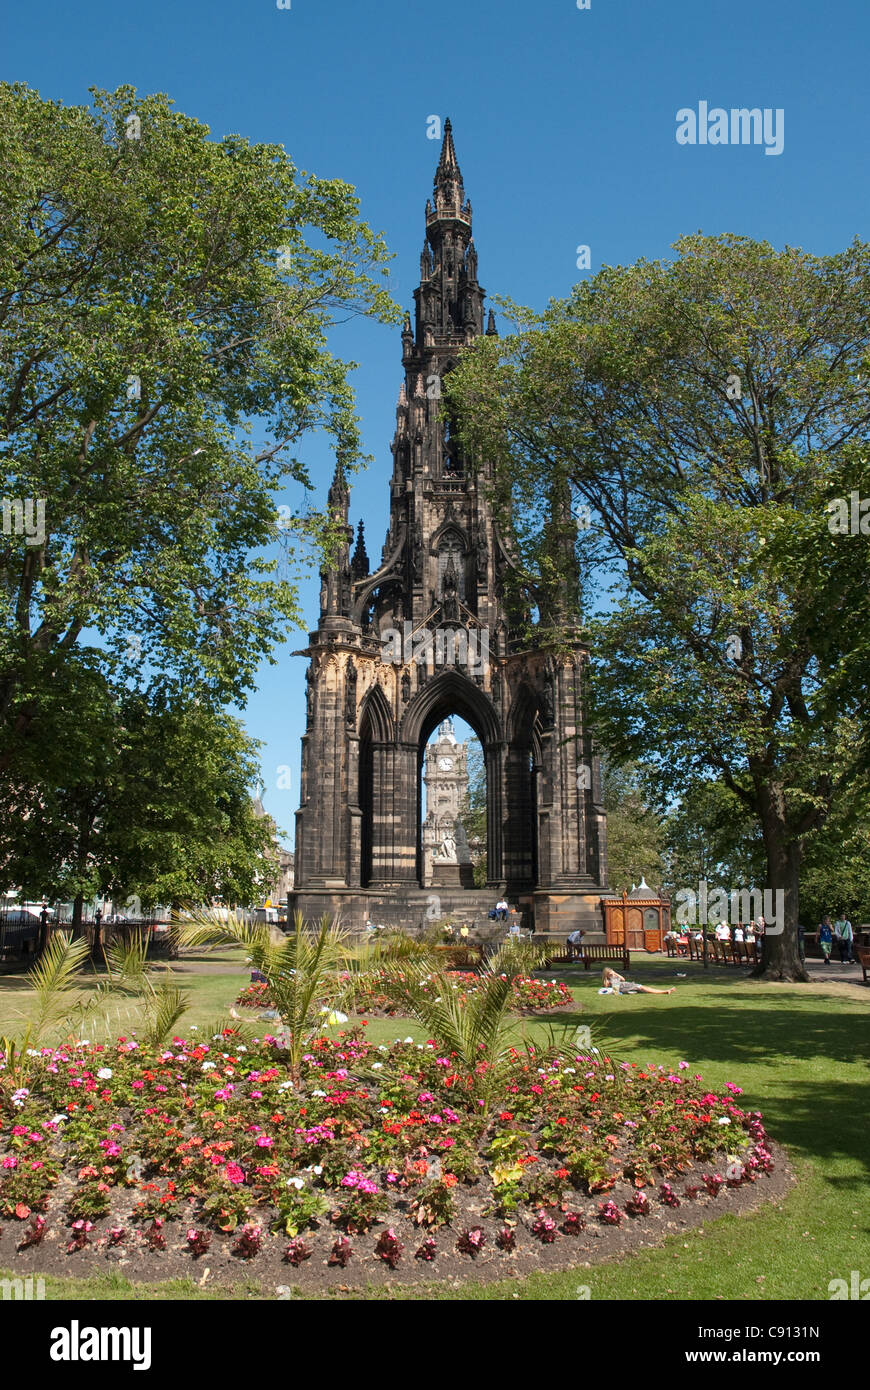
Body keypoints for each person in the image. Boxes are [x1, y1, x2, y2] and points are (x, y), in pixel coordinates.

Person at [602, 966, 675, 996]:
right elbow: (606, 987)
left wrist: (615, 973)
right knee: (644, 988)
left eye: (612, 974)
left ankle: (664, 991)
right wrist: (610, 978)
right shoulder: (608, 981)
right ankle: (664, 992)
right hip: (626, 987)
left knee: (646, 988)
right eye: (610, 974)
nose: (613, 975)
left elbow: (623, 979)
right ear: (607, 975)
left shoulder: (615, 977)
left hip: (628, 985)